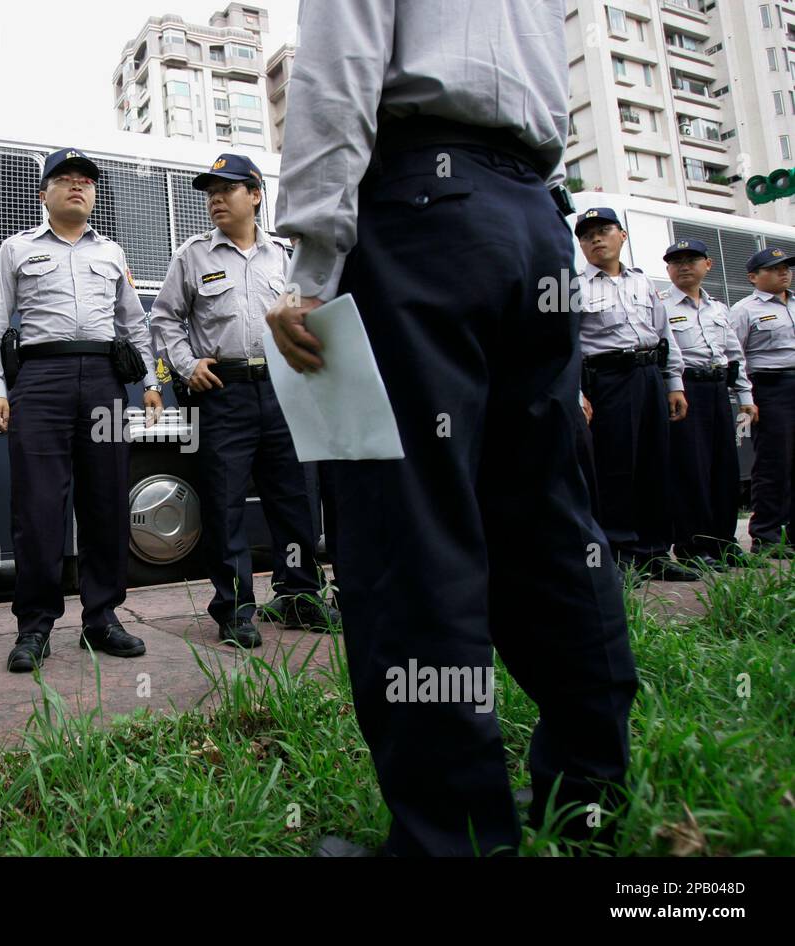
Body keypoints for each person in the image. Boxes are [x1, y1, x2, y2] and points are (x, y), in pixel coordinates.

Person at [265, 0, 638, 856]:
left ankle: (453, 840)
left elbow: (338, 64)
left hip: (418, 214)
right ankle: (588, 805)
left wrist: (315, 263)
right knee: (548, 520)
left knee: (412, 534)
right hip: (533, 220)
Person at [0, 148, 162, 672]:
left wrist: (150, 382)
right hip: (40, 381)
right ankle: (34, 627)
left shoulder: (111, 253)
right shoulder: (16, 249)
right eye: (65, 180)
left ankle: (102, 618)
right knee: (38, 507)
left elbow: (134, 323)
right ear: (44, 194)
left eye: (86, 181)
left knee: (105, 502)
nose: (77, 187)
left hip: (104, 381)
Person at [149, 152, 339, 648]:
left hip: (284, 391)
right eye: (210, 191)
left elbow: (314, 318)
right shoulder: (193, 256)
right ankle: (234, 610)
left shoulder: (287, 255)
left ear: (255, 195)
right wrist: (189, 366)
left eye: (226, 189)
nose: (215, 199)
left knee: (294, 499)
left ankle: (300, 596)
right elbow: (164, 318)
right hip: (224, 394)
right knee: (224, 504)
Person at [574, 208, 697, 582]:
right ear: (580, 244)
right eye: (588, 234)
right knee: (616, 468)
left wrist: (673, 383)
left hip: (648, 378)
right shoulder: (573, 285)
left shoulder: (643, 283)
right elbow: (565, 346)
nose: (596, 239)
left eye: (604, 230)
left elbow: (665, 336)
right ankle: (621, 553)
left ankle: (655, 551)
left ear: (622, 236)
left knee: (655, 464)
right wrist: (577, 392)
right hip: (607, 381)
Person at [661, 239, 755, 567]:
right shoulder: (662, 306)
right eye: (676, 262)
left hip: (718, 389)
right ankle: (693, 546)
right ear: (668, 269)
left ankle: (724, 542)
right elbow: (669, 355)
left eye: (691, 260)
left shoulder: (718, 308)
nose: (684, 266)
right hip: (686, 391)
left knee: (724, 469)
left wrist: (745, 396)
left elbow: (734, 355)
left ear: (708, 265)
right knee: (691, 470)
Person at [729, 248, 795, 557]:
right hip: (769, 387)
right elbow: (734, 355)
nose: (783, 272)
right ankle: (767, 535)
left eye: (785, 267)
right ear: (753, 277)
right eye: (774, 268)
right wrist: (746, 398)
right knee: (773, 463)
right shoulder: (745, 310)